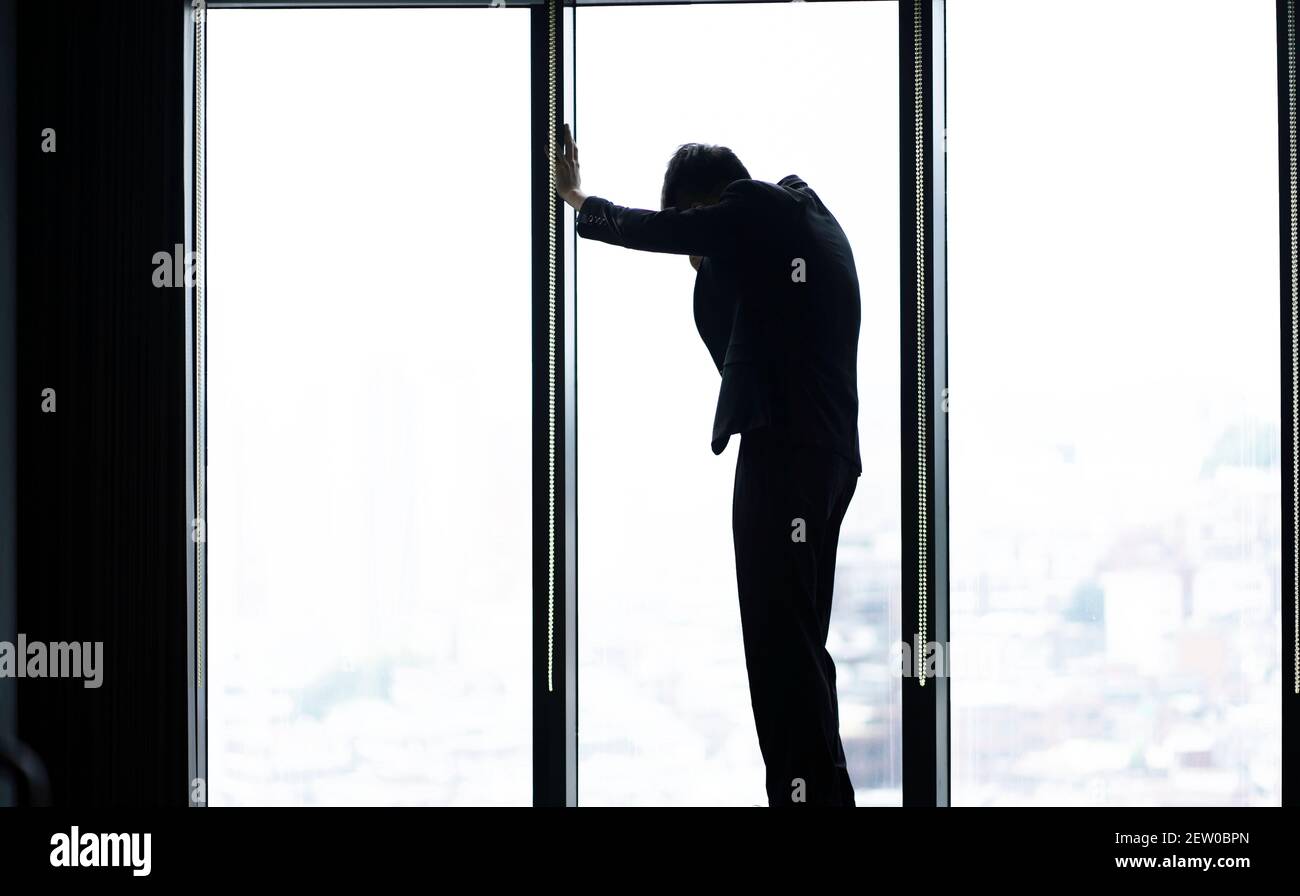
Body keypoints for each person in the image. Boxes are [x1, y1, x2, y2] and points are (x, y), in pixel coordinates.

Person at [555, 125, 862, 806]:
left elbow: (674, 234)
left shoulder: (766, 206)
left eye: (696, 242)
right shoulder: (800, 236)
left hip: (786, 454)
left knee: (779, 651)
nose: (698, 263)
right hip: (825, 455)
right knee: (799, 646)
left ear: (707, 206)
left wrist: (580, 201)